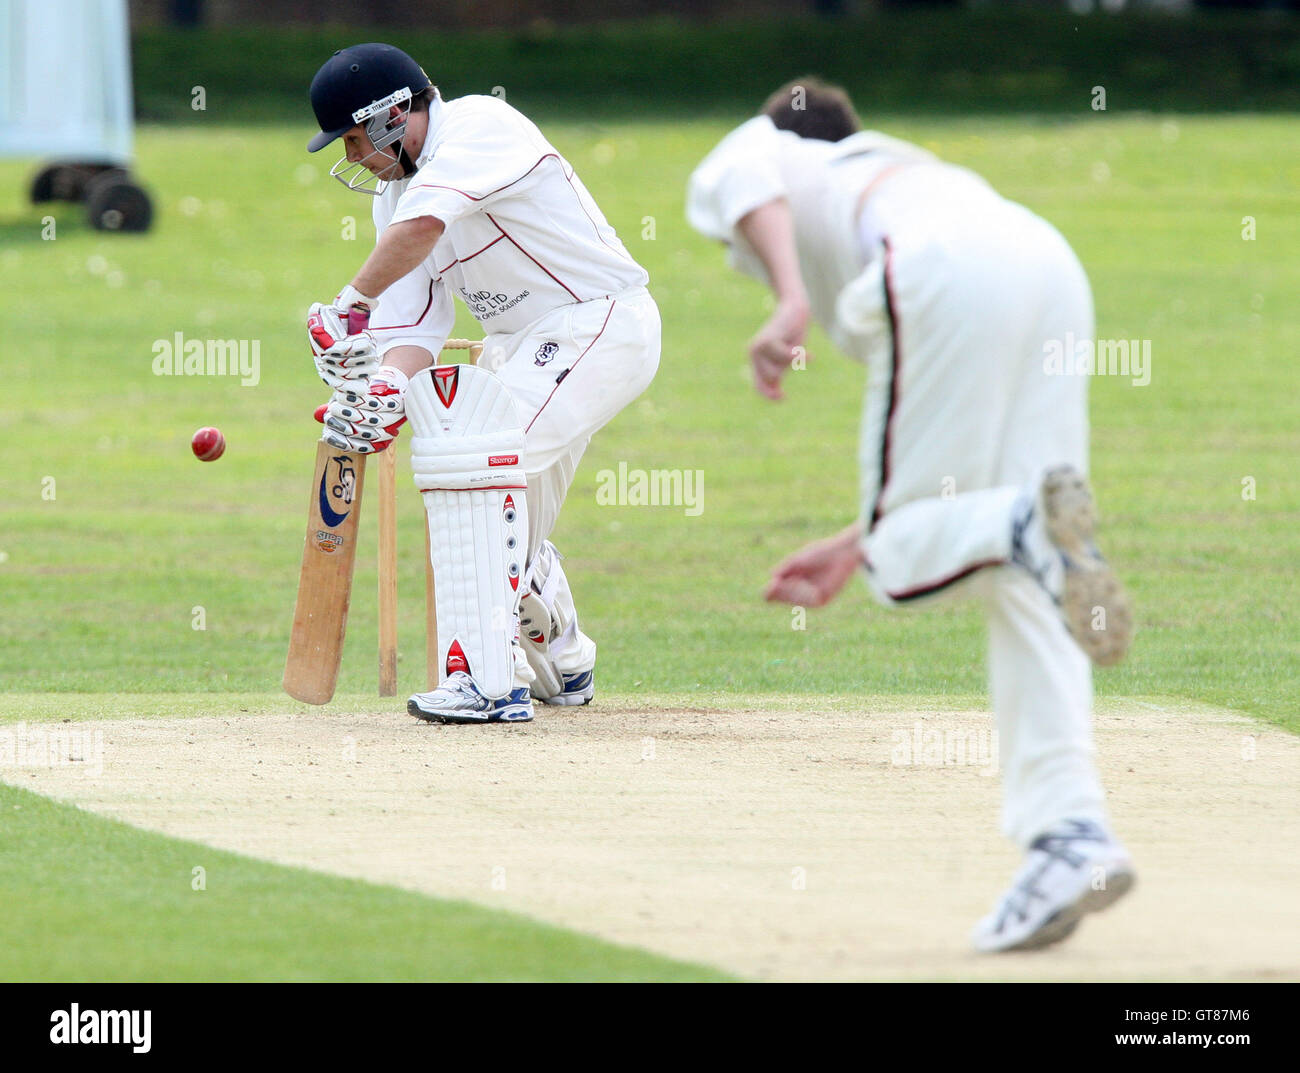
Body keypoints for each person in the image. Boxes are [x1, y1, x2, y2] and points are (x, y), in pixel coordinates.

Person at [686, 77, 1136, 953]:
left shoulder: (771, 143)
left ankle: (1022, 529)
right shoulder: (897, 169)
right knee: (1023, 573)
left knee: (909, 563)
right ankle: (1069, 836)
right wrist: (853, 539)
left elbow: (744, 177)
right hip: (1045, 261)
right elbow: (945, 483)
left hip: (937, 267)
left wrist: (790, 298)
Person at [304, 43, 660, 724]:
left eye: (352, 139)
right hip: (520, 348)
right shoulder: (394, 197)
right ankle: (563, 653)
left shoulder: (479, 126)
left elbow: (427, 226)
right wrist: (379, 393)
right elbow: (414, 326)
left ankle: (486, 681)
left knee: (469, 464)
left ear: (392, 116)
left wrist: (348, 304)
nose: (351, 157)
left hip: (599, 323)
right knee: (496, 498)